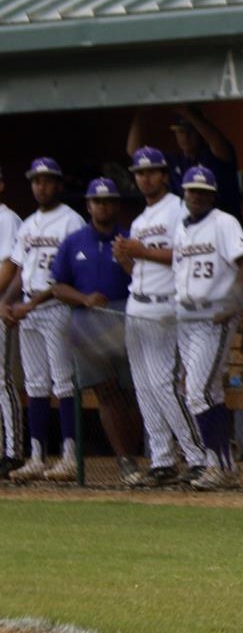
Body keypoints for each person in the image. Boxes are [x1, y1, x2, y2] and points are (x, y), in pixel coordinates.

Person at [112, 147, 212, 486]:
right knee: (143, 387)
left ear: (164, 174)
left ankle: (197, 456)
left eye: (152, 171)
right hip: (136, 304)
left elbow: (187, 254)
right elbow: (138, 267)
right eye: (139, 173)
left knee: (164, 384)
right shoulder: (140, 220)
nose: (145, 177)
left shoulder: (178, 209)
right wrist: (127, 258)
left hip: (163, 305)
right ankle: (162, 458)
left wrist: (142, 251)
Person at [48, 178, 144, 483]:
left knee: (135, 391)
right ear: (88, 206)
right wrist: (83, 298)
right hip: (88, 321)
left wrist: (128, 263)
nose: (103, 206)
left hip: (127, 318)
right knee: (106, 392)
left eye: (109, 201)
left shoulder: (130, 238)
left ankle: (148, 457)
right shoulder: (73, 242)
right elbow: (58, 287)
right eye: (97, 201)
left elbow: (148, 280)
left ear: (117, 205)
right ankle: (125, 461)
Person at [168, 166, 243, 490]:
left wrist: (232, 302)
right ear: (184, 192)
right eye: (191, 190)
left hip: (213, 317)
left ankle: (217, 465)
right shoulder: (181, 227)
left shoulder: (223, 222)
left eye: (203, 191)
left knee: (199, 392)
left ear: (213, 195)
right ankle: (225, 464)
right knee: (205, 391)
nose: (196, 196)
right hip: (186, 317)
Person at [2, 159, 85, 482]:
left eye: (48, 181)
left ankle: (70, 458)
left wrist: (27, 305)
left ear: (59, 184)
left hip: (56, 306)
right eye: (36, 181)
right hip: (28, 308)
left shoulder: (71, 221)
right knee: (35, 383)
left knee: (63, 382)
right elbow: (20, 269)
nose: (41, 186)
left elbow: (68, 276)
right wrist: (7, 302)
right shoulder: (29, 223)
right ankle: (37, 456)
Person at [128, 106, 243, 217]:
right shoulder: (175, 161)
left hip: (222, 224)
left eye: (190, 131)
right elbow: (134, 152)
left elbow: (218, 144)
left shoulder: (214, 155)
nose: (185, 137)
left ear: (200, 132)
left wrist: (188, 114)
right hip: (188, 227)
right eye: (180, 132)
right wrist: (141, 113)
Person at [0, 167, 22, 475]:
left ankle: (12, 452)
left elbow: (8, 268)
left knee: (2, 381)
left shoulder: (6, 218)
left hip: (2, 307)